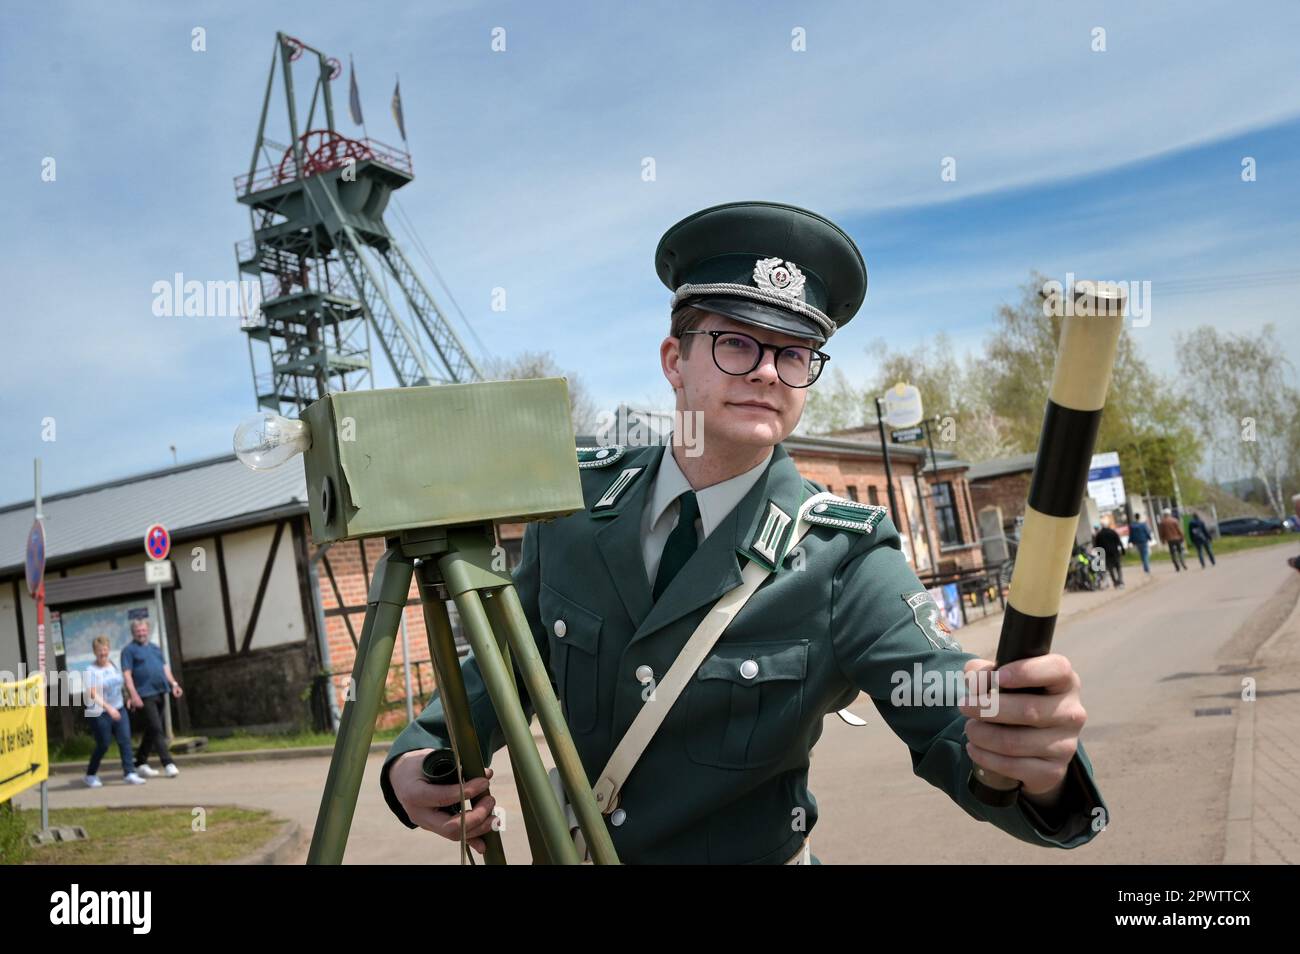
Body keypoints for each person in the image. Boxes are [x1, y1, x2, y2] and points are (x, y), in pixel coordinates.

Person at [380, 201, 1108, 864]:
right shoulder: (574, 510)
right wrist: (417, 756)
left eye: (793, 354)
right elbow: (507, 666)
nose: (766, 372)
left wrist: (1024, 755)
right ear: (675, 361)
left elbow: (945, 702)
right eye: (737, 343)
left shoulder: (844, 555)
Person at [121, 619, 183, 778]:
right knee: (156, 728)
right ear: (133, 633)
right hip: (144, 695)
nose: (141, 633)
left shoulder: (155, 648)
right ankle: (168, 763)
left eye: (143, 630)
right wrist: (133, 694)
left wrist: (174, 684)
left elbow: (165, 668)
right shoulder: (129, 651)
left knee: (152, 729)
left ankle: (140, 762)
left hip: (160, 691)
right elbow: (127, 675)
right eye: (138, 631)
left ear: (147, 630)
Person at [83, 635, 145, 787]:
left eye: (105, 650)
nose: (103, 653)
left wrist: (129, 696)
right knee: (103, 744)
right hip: (100, 712)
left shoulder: (113, 665)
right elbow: (92, 694)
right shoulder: (90, 670)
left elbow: (121, 683)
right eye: (99, 651)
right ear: (94, 652)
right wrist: (108, 708)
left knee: (125, 740)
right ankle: (90, 775)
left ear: (109, 650)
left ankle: (129, 773)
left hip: (119, 708)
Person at [1092, 522, 1124, 588]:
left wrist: (1099, 554)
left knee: (1110, 569)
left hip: (1106, 554)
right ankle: (1120, 581)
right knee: (1118, 567)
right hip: (1115, 553)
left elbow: (1097, 546)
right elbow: (1119, 541)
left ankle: (1115, 582)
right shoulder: (1112, 532)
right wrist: (1122, 549)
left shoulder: (1099, 535)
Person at [1158, 508, 1189, 572]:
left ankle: (1176, 566)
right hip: (1177, 538)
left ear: (1164, 514)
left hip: (1169, 540)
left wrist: (1162, 540)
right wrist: (1182, 536)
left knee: (1172, 553)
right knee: (1180, 551)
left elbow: (1161, 532)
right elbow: (1179, 530)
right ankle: (1183, 564)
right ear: (1170, 514)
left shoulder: (1162, 522)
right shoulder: (1174, 520)